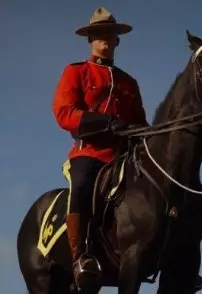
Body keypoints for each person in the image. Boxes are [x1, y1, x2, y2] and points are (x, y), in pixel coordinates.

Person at [52, 6, 148, 287]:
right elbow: (64, 113)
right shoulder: (76, 72)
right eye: (98, 34)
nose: (104, 38)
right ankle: (81, 256)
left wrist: (140, 132)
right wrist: (106, 124)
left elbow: (140, 122)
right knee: (81, 184)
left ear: (117, 40)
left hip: (124, 156)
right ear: (90, 40)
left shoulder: (130, 83)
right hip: (90, 153)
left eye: (109, 34)